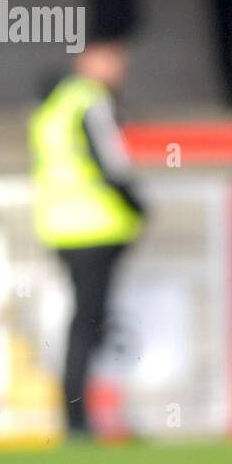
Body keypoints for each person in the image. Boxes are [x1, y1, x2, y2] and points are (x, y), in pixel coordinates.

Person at [28, 42, 146, 436]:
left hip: (59, 225)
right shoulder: (91, 99)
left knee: (86, 320)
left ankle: (81, 413)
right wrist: (138, 207)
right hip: (96, 225)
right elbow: (111, 162)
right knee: (88, 322)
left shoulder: (54, 104)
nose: (119, 67)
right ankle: (78, 418)